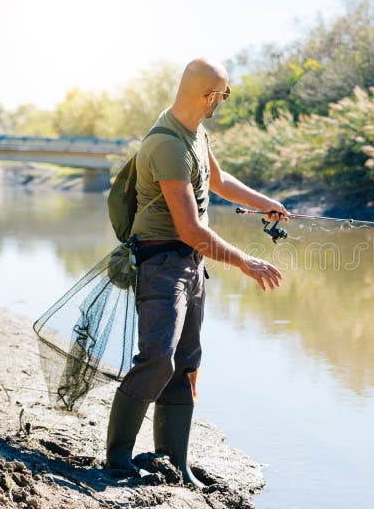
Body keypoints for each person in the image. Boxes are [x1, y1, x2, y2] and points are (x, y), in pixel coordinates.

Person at [105, 58, 287, 488]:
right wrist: (244, 261)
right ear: (209, 96)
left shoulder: (196, 133)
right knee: (158, 359)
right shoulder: (166, 144)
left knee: (186, 363)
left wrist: (265, 203)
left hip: (191, 265)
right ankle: (117, 458)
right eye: (223, 95)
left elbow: (218, 181)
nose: (222, 102)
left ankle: (174, 460)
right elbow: (189, 229)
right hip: (161, 265)